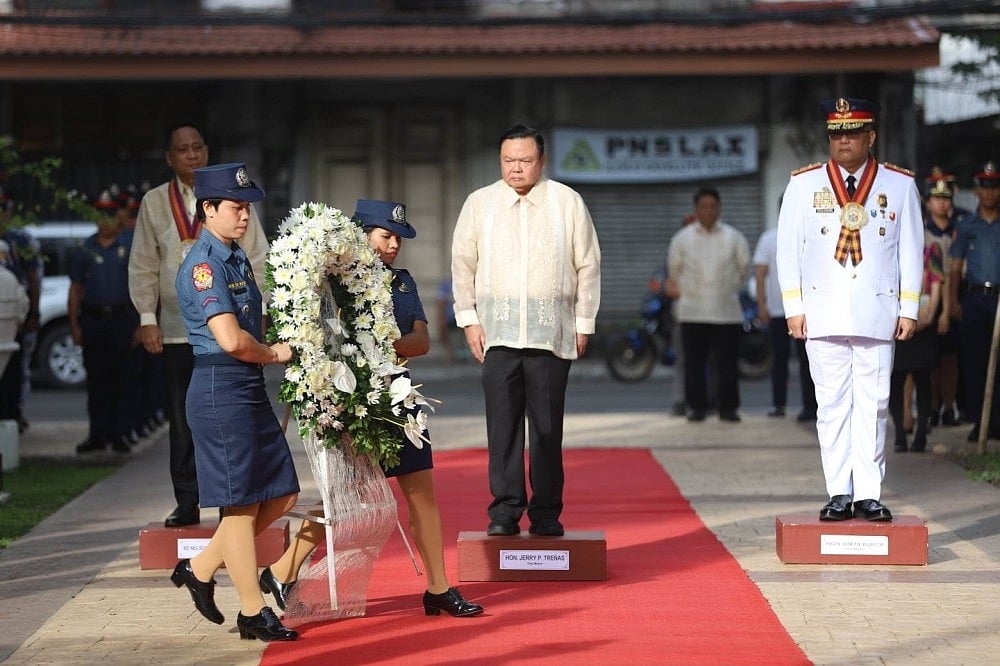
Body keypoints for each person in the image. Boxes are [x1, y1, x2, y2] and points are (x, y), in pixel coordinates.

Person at [259, 199, 483, 619]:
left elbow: (420, 342)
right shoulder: (332, 284)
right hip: (351, 399)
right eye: (386, 236)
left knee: (423, 495)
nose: (394, 245)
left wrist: (372, 346)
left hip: (396, 397)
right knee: (345, 497)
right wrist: (365, 351)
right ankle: (281, 569)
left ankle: (438, 587)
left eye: (399, 238)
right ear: (361, 235)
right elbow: (322, 340)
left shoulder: (402, 282)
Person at [777, 96, 923, 522]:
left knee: (875, 405)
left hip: (877, 312)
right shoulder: (804, 185)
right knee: (832, 405)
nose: (845, 141)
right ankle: (839, 491)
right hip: (821, 313)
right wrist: (793, 308)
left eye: (854, 132)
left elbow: (911, 251)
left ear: (871, 137)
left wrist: (909, 308)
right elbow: (790, 251)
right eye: (837, 133)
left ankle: (869, 494)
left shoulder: (899, 185)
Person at [451, 124, 601, 538]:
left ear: (542, 161)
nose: (516, 168)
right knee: (502, 427)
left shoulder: (567, 202)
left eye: (525, 160)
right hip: (497, 333)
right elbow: (462, 265)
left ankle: (547, 512)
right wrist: (469, 320)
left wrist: (583, 321)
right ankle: (504, 510)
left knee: (548, 429)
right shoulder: (479, 203)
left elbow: (587, 264)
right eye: (509, 161)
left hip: (550, 334)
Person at [170, 162, 299, 642]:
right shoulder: (203, 266)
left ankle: (200, 567)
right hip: (221, 389)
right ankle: (252, 611)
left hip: (246, 388)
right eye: (236, 207)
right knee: (241, 506)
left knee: (283, 492)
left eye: (247, 208)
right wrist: (274, 354)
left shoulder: (236, 257)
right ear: (208, 208)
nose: (245, 217)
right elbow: (229, 338)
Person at [129, 124, 269, 528]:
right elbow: (143, 264)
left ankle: (232, 503)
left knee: (232, 416)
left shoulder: (236, 199)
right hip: (177, 327)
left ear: (206, 151)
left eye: (197, 148)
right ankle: (187, 500)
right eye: (182, 150)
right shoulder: (155, 202)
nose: (191, 155)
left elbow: (257, 256)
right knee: (182, 416)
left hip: (231, 327)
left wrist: (261, 315)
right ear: (170, 158)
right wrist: (147, 317)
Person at [667, 187, 750, 423]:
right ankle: (696, 408)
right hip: (692, 311)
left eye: (713, 206)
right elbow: (674, 269)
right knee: (694, 363)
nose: (708, 211)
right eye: (703, 207)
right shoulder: (682, 239)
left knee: (727, 364)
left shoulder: (734, 237)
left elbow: (743, 268)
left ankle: (728, 408)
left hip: (726, 311)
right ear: (696, 209)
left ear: (719, 208)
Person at [69, 188, 138, 454]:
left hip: (123, 319)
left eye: (110, 214)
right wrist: (75, 324)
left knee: (123, 379)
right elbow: (76, 289)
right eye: (101, 215)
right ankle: (97, 434)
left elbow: (139, 286)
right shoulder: (86, 249)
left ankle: (120, 434)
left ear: (119, 217)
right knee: (97, 381)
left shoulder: (129, 246)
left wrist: (141, 323)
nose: (106, 220)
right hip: (94, 320)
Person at [949, 161, 1000, 442]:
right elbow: (955, 267)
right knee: (974, 362)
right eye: (985, 187)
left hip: (999, 300)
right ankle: (979, 421)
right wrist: (954, 300)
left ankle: (997, 421)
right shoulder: (967, 225)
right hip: (975, 298)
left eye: (995, 187)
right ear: (978, 191)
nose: (990, 193)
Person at [753, 225, 817, 421]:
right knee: (779, 359)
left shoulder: (813, 234)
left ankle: (810, 407)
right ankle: (778, 404)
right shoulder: (770, 238)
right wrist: (762, 305)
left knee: (808, 360)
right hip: (779, 310)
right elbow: (760, 274)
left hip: (807, 310)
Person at [889, 237, 944, 452]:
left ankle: (921, 434)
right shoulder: (889, 249)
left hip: (923, 325)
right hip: (895, 325)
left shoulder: (930, 251)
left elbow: (938, 283)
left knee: (923, 381)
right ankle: (900, 435)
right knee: (896, 381)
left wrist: (929, 317)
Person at [923, 173, 963, 428]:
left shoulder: (960, 229)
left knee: (951, 358)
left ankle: (950, 406)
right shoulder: (922, 231)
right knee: (928, 361)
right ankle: (932, 406)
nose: (942, 204)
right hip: (929, 302)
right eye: (937, 198)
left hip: (954, 299)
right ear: (928, 202)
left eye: (946, 198)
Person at [0, 191, 41, 433]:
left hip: (13, 316)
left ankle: (13, 415)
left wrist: (33, 313)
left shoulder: (19, 240)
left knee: (14, 371)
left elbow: (33, 278)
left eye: (4, 207)